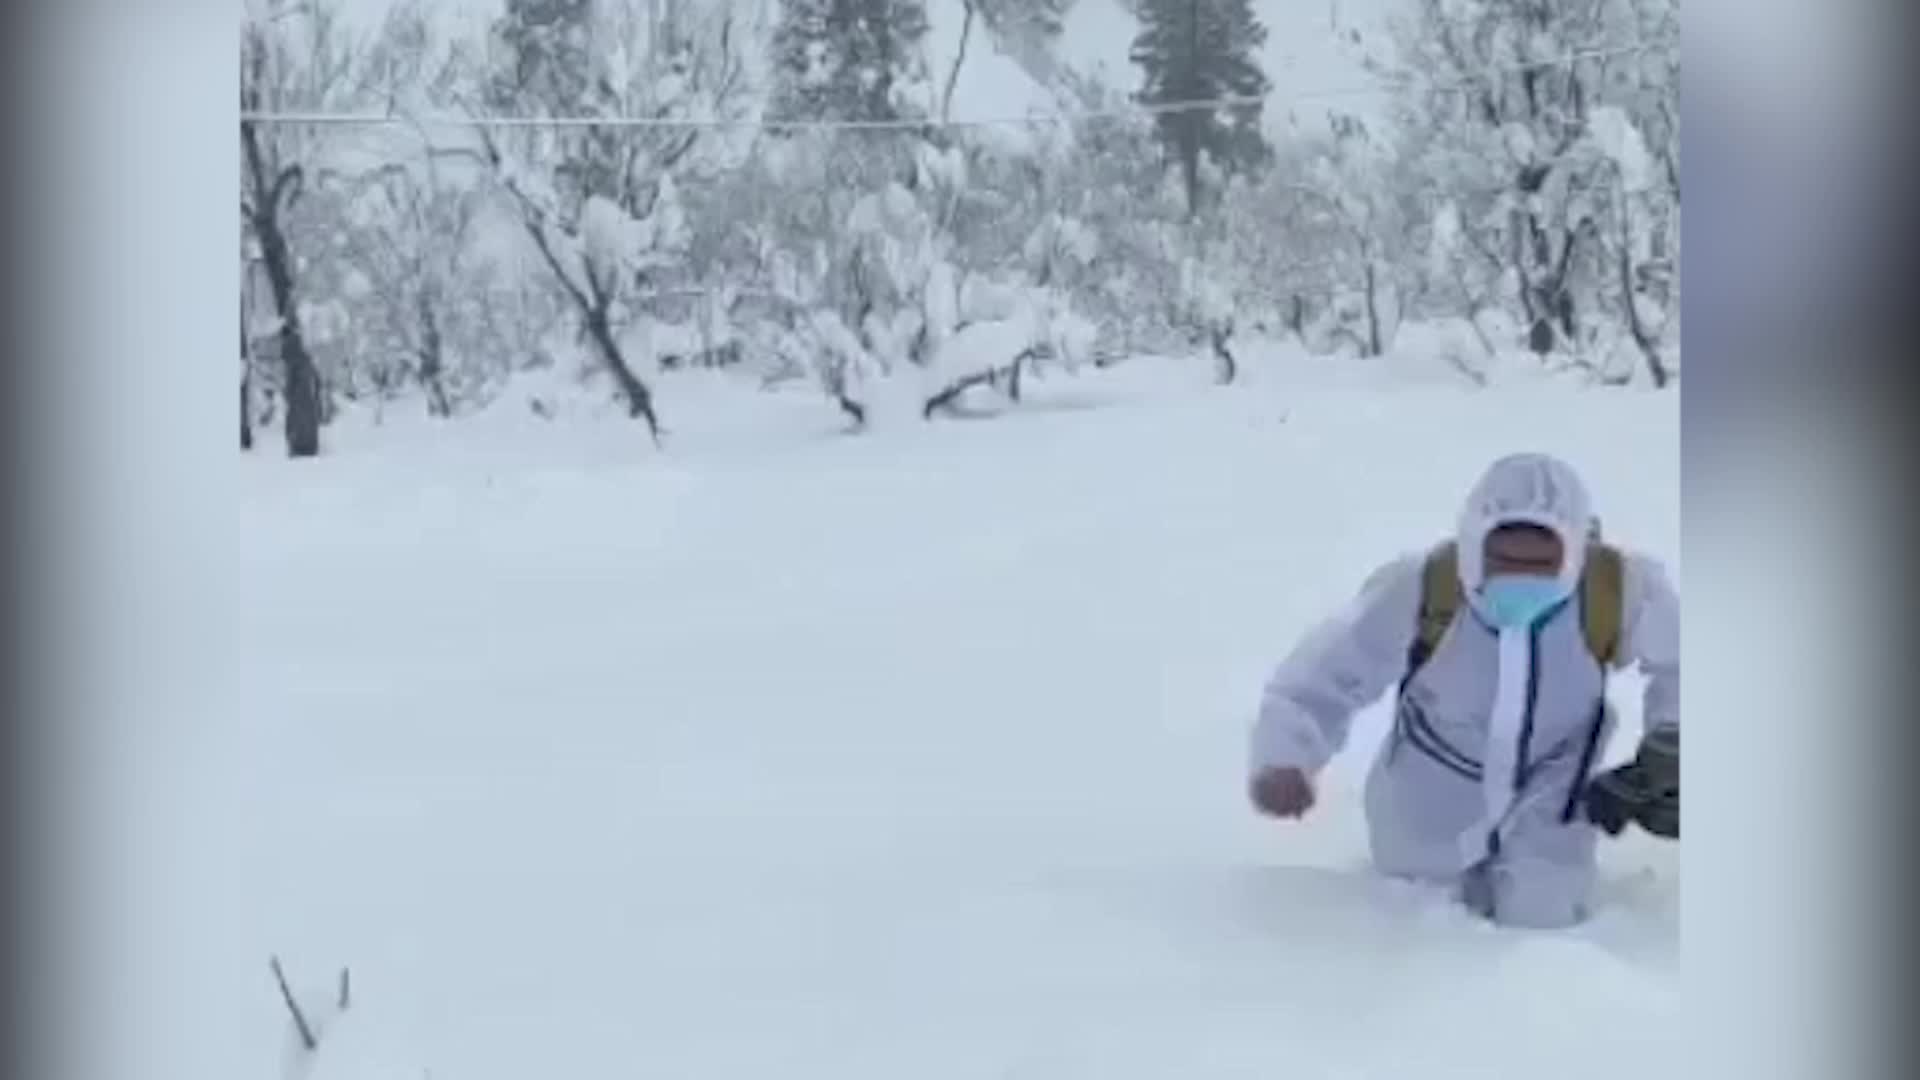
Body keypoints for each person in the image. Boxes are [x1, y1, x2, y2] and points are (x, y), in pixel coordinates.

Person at [1247, 452, 1679, 929]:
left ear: (1574, 554)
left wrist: (1672, 742)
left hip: (1554, 787)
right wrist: (1287, 756)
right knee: (1415, 923)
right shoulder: (1423, 585)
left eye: (1540, 565)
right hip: (1429, 792)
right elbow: (1326, 672)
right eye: (1504, 561)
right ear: (1473, 547)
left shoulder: (1617, 589)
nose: (1521, 576)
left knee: (1545, 921)